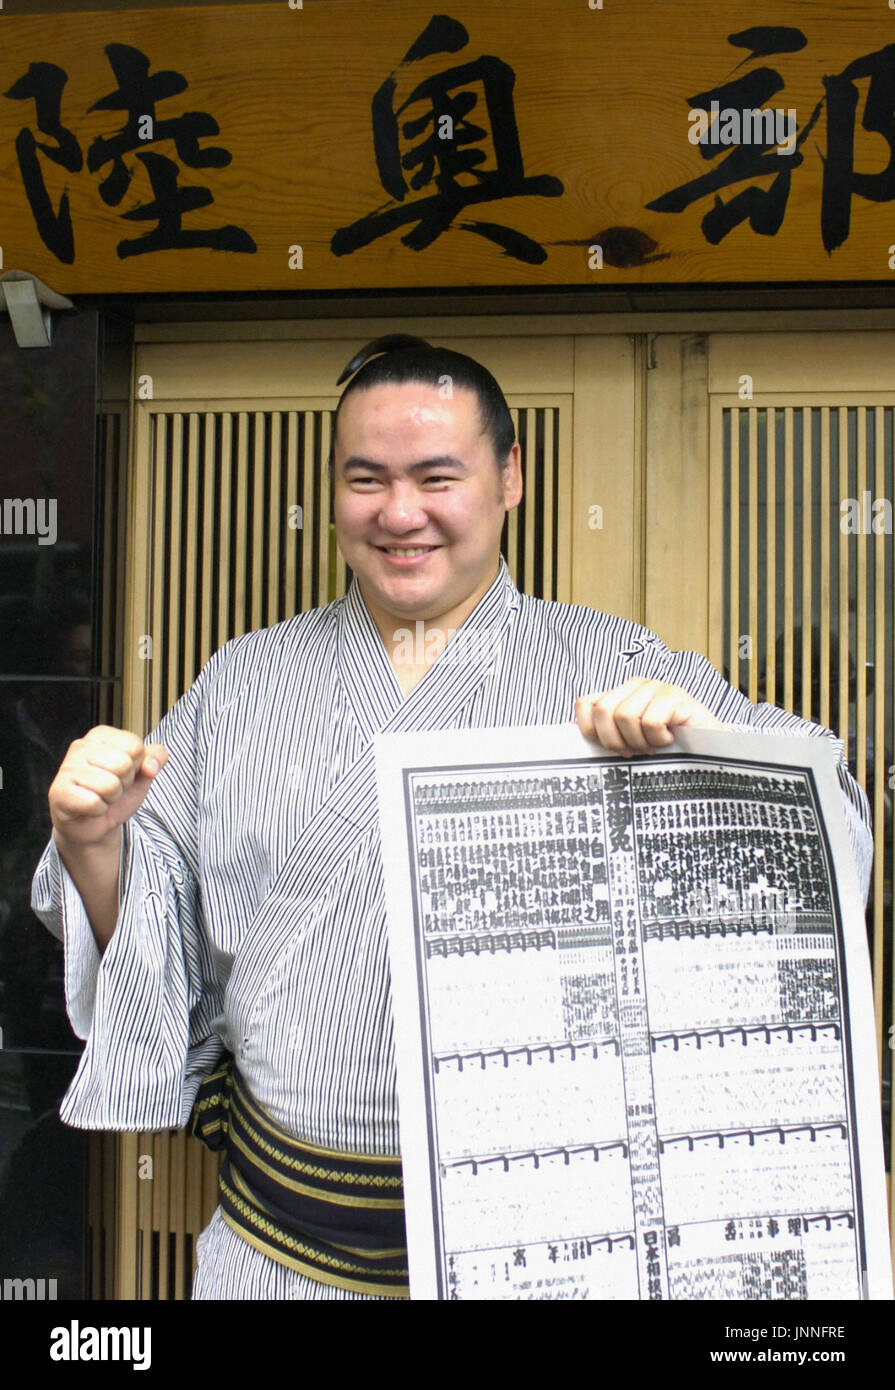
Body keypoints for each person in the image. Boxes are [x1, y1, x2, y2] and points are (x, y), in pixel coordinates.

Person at [30, 334, 873, 1300]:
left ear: (509, 477)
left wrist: (700, 749)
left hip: (546, 1255)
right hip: (278, 1250)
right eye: (365, 480)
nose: (399, 514)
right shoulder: (242, 681)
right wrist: (92, 841)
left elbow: (827, 836)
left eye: (437, 476)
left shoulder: (611, 667)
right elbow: (147, 913)